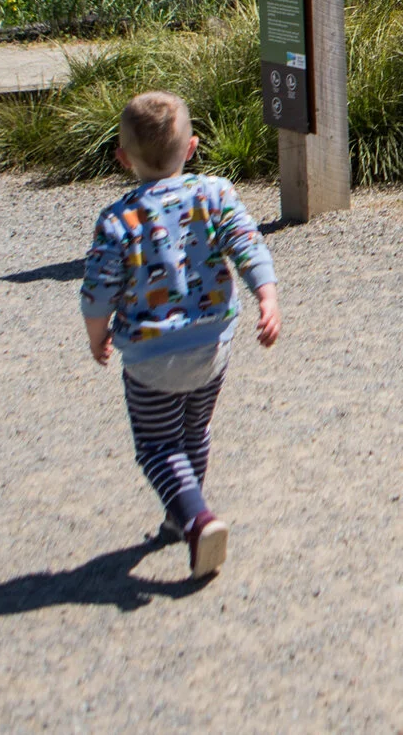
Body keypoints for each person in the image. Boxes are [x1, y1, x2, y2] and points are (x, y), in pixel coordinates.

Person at [78, 91, 280, 578]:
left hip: (151, 356)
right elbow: (247, 243)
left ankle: (196, 519)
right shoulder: (215, 194)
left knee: (156, 446)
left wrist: (96, 335)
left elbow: (98, 290)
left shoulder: (118, 219)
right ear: (191, 147)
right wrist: (267, 296)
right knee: (194, 431)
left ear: (123, 158)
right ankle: (180, 515)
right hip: (212, 345)